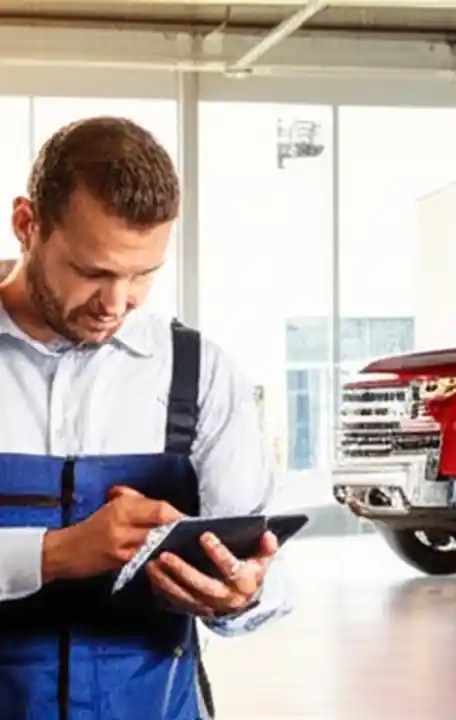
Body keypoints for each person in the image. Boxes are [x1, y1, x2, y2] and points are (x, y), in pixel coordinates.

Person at [0, 116, 289, 719]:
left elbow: (268, 573)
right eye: (93, 271)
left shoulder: (199, 374)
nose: (116, 304)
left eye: (142, 275)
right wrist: (53, 553)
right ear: (27, 225)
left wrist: (242, 594)